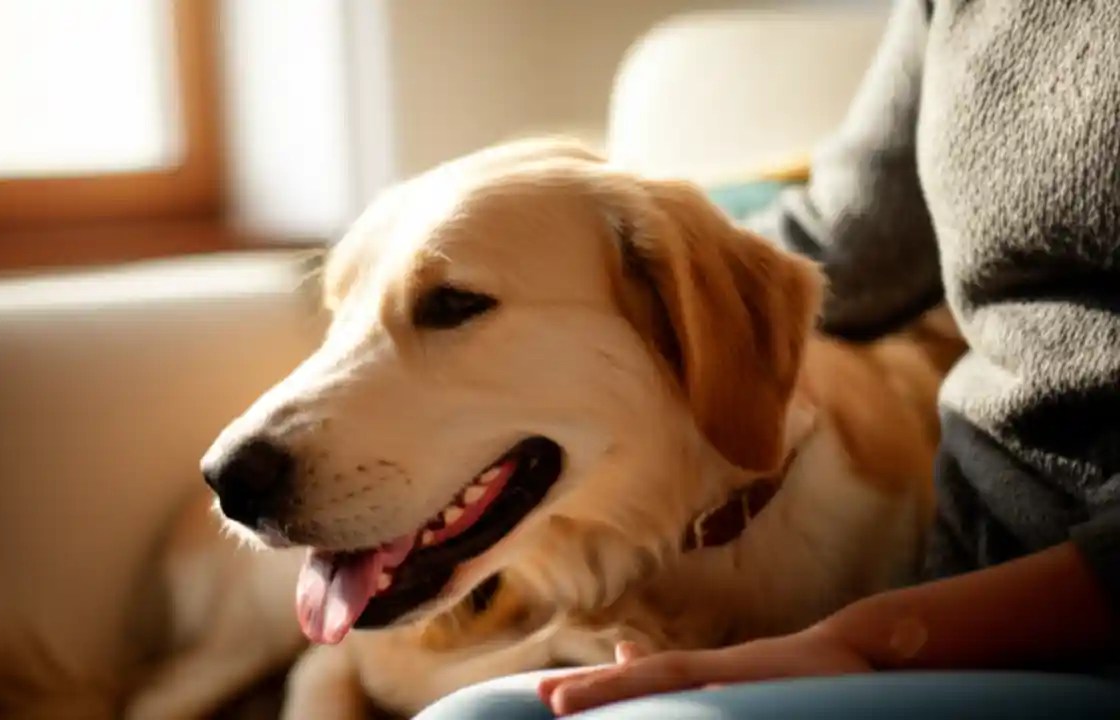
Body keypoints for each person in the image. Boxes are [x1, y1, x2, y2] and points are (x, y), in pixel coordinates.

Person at [416, 0, 1120, 717]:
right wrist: (622, 262)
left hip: (1067, 631)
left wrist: (871, 639)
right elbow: (840, 243)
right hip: (954, 560)